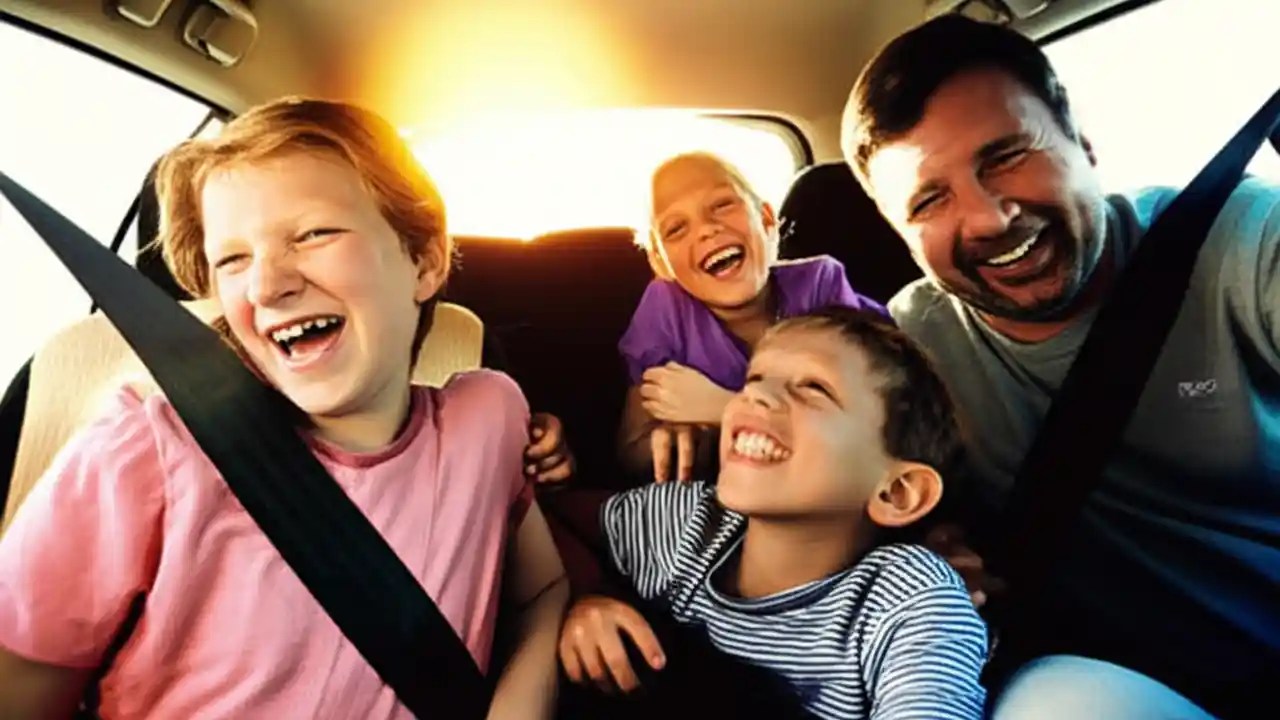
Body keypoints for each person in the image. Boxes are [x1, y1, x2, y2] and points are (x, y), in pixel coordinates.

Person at [0, 97, 570, 719]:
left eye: (313, 233)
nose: (268, 285)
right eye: (232, 260)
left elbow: (542, 590)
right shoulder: (145, 450)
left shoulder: (488, 418)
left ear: (424, 261)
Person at [841, 14, 1280, 718]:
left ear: (1082, 142)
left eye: (1006, 157)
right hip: (1104, 687)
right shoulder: (907, 349)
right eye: (930, 200)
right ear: (902, 235)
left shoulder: (1242, 240)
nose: (989, 218)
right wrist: (923, 560)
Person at [562, 307, 988, 719]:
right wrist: (587, 595)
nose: (756, 395)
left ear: (897, 493)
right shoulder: (689, 524)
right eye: (754, 378)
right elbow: (545, 519)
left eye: (814, 389)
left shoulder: (906, 596)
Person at [618, 151, 888, 484]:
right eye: (675, 229)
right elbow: (631, 452)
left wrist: (725, 409)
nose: (706, 230)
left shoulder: (821, 286)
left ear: (767, 220)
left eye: (722, 205)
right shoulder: (666, 312)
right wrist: (674, 441)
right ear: (660, 263)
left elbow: (869, 430)